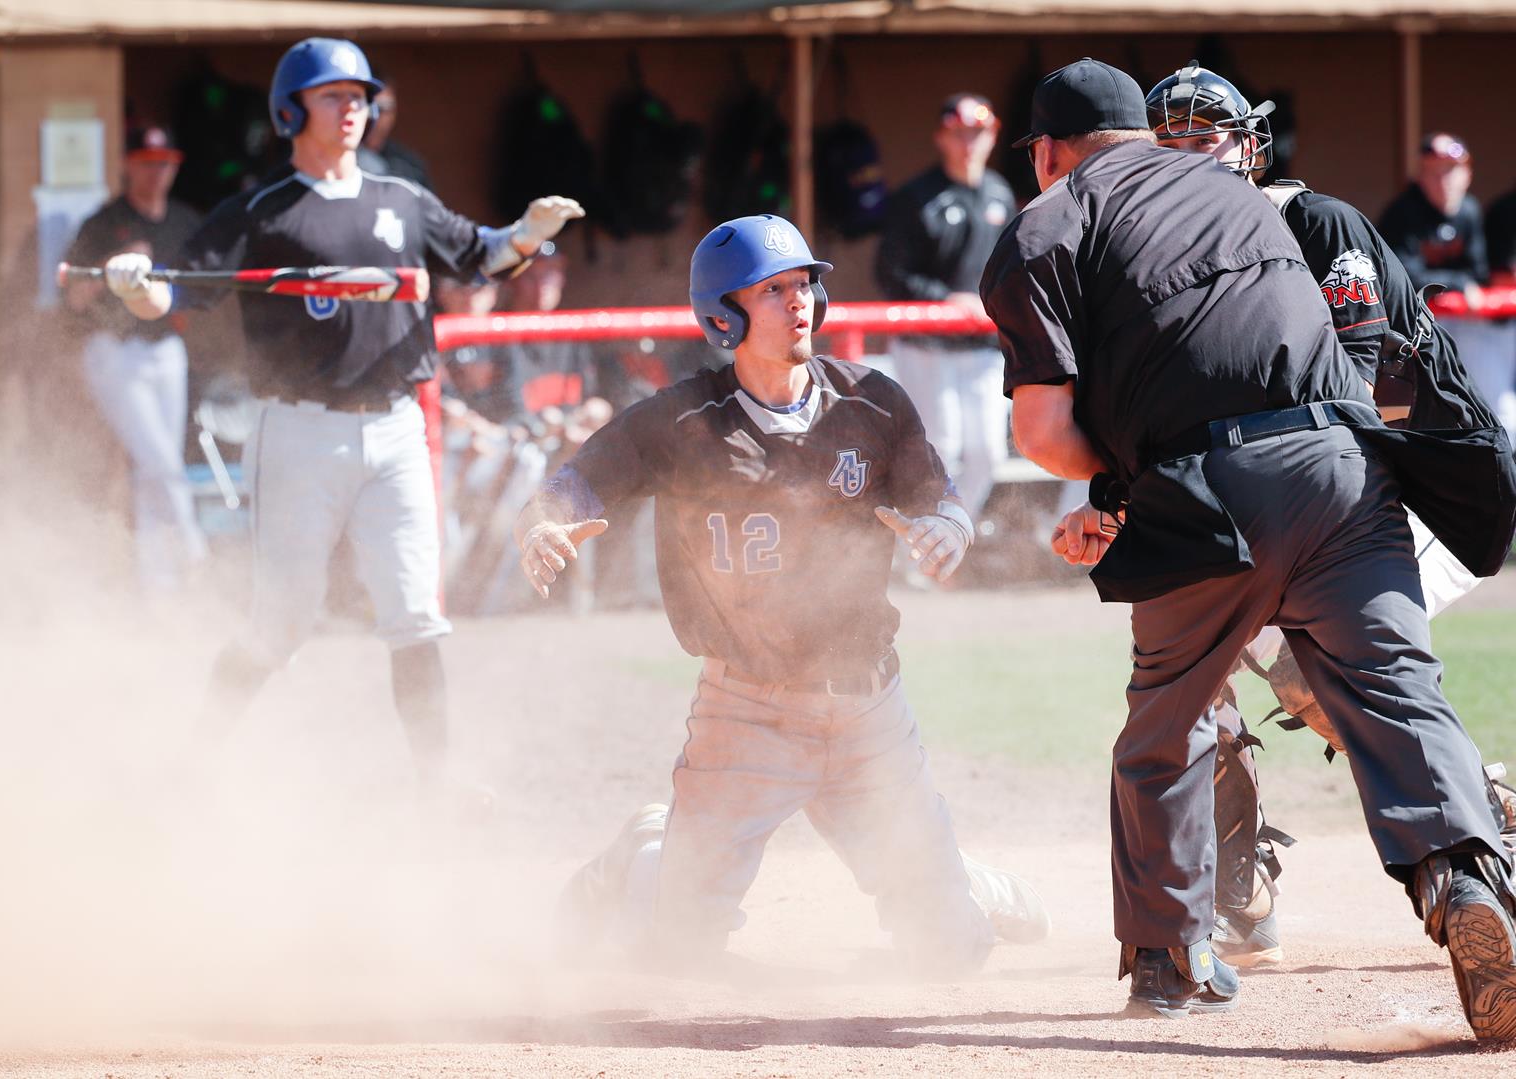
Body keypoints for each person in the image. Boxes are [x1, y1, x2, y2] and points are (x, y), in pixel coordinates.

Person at [982, 58, 1516, 1036]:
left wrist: (1126, 482)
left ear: (1049, 152)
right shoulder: (1250, 210)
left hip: (1244, 477)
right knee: (1384, 685)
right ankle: (1466, 875)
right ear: (1146, 138)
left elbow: (1059, 424)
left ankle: (1169, 946)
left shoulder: (1074, 217)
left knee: (1177, 708)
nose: (1197, 146)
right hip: (1343, 474)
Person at [512, 214, 1049, 974]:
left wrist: (949, 532)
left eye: (804, 284)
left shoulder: (872, 401)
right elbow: (572, 482)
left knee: (951, 947)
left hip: (868, 712)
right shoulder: (686, 420)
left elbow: (944, 498)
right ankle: (645, 852)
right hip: (748, 714)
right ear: (723, 315)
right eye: (774, 290)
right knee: (675, 951)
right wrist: (542, 526)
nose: (800, 301)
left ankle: (959, 889)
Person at [99, 37, 583, 798]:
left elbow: (479, 255)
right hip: (301, 434)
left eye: (361, 96)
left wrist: (524, 234)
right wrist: (136, 290)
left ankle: (438, 785)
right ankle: (192, 760)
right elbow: (177, 291)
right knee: (280, 625)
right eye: (335, 96)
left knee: (416, 616)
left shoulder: (401, 198)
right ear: (292, 110)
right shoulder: (262, 208)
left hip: (395, 427)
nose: (354, 108)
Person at [1145, 61, 1509, 968]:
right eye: (1170, 144)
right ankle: (1243, 875)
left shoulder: (1315, 222)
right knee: (1207, 672)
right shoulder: (1153, 253)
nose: (1191, 157)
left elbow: (1361, 385)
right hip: (1263, 500)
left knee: (1323, 684)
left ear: (1251, 146)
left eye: (1208, 137)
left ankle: (1483, 828)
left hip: (1382, 485)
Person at [63, 124, 208, 595]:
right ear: (128, 165)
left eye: (164, 162)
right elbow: (74, 296)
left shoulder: (185, 221)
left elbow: (206, 290)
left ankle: (157, 589)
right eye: (147, 162)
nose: (156, 172)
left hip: (167, 349)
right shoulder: (103, 223)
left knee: (156, 470)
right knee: (159, 461)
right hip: (116, 351)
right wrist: (118, 268)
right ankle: (194, 551)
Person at [875, 93, 1018, 522]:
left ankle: (951, 532)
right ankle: (920, 543)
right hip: (925, 344)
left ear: (993, 136)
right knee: (940, 445)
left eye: (979, 132)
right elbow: (890, 272)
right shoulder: (918, 197)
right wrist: (943, 300)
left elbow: (1011, 264)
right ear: (941, 137)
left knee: (988, 452)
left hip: (981, 346)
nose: (969, 143)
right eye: (959, 133)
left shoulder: (999, 193)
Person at [1379, 135, 1514, 434]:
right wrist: (1458, 284)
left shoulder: (1468, 211)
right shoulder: (1404, 212)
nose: (1444, 181)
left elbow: (1477, 274)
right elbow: (1401, 277)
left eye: (1451, 171)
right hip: (1408, 326)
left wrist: (1463, 288)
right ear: (1420, 176)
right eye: (1434, 172)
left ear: (1467, 175)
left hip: (1456, 320)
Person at [357, 71, 434, 192]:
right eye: (370, 106)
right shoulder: (332, 160)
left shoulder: (410, 166)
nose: (376, 116)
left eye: (385, 108)